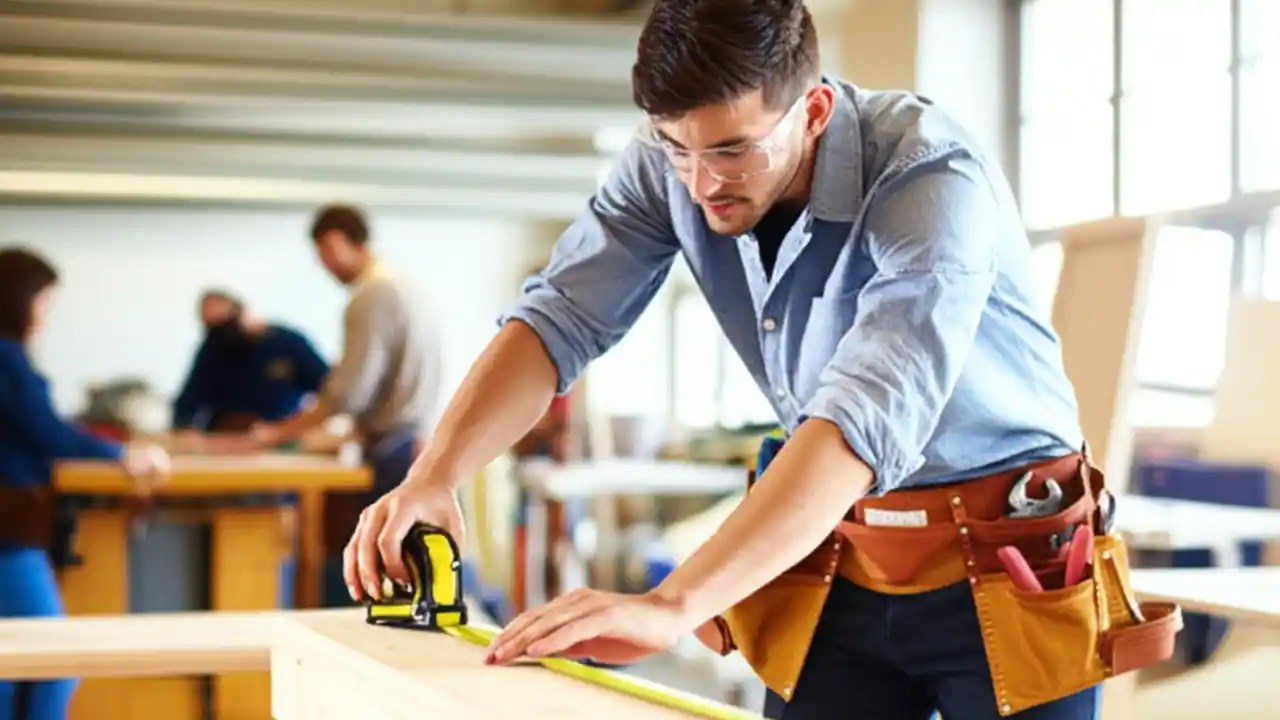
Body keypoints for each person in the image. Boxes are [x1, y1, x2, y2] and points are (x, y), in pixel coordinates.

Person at [340, 2, 1130, 718]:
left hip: (1013, 556)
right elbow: (560, 318)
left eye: (731, 151)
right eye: (677, 148)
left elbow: (865, 415)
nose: (700, 181)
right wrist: (435, 475)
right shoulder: (672, 161)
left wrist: (672, 604)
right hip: (842, 550)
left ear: (813, 110)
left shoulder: (928, 175)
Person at [0, 247, 169, 720]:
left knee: (12, 671)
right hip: (8, 536)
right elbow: (47, 432)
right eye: (44, 301)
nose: (45, 314)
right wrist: (122, 454)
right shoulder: (6, 358)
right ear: (19, 299)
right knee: (57, 662)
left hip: (12, 531)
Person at [247, 204, 441, 606]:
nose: (324, 266)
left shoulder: (372, 295)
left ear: (336, 242)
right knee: (407, 582)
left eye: (323, 255)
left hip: (393, 452)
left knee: (381, 586)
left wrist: (278, 434)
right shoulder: (401, 284)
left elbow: (348, 392)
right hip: (411, 441)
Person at [172, 289, 329, 434]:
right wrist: (186, 430)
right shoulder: (213, 349)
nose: (222, 333)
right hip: (227, 437)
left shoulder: (288, 343)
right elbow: (188, 403)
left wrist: (306, 425)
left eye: (226, 324)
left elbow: (328, 388)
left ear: (241, 313)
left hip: (280, 434)